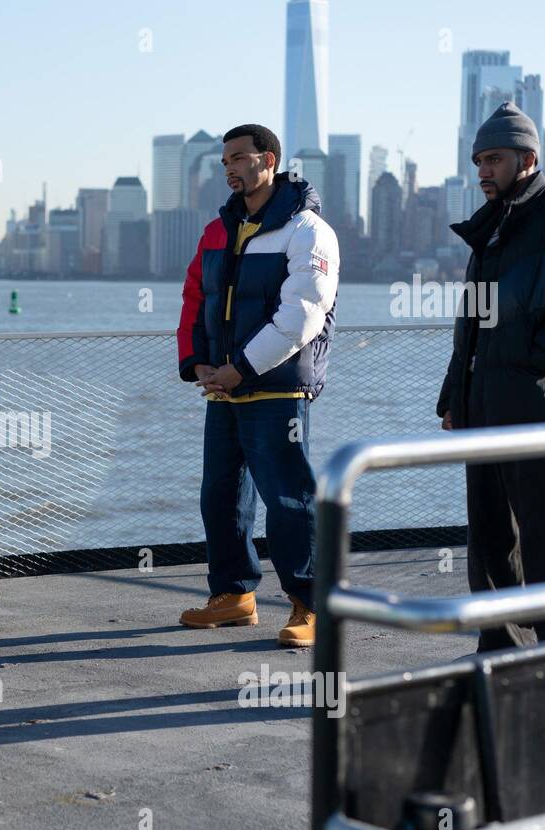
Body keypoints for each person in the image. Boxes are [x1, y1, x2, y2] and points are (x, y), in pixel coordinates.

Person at [437, 101, 545, 652]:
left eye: (494, 159)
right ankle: (502, 646)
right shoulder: (491, 232)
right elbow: (474, 326)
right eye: (478, 162)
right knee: (490, 537)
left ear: (528, 157)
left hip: (542, 406)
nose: (483, 171)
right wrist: (454, 397)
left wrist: (533, 365)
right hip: (485, 406)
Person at [176, 124, 339, 648]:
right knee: (219, 496)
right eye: (224, 159)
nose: (228, 167)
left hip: (276, 387)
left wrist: (241, 368)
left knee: (289, 499)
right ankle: (233, 595)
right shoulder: (216, 231)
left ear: (268, 161)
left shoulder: (308, 231)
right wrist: (196, 363)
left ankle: (312, 606)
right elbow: (194, 300)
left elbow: (303, 315)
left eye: (239, 157)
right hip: (223, 387)